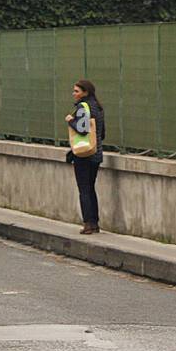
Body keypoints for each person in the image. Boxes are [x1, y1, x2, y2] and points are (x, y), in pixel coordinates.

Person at [64, 79, 106, 235]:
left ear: (85, 92)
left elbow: (82, 129)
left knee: (84, 189)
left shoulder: (83, 107)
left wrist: (71, 121)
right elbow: (102, 133)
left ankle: (88, 223)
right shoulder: (98, 108)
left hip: (83, 155)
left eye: (76, 91)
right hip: (96, 153)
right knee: (91, 188)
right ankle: (95, 223)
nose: (74, 94)